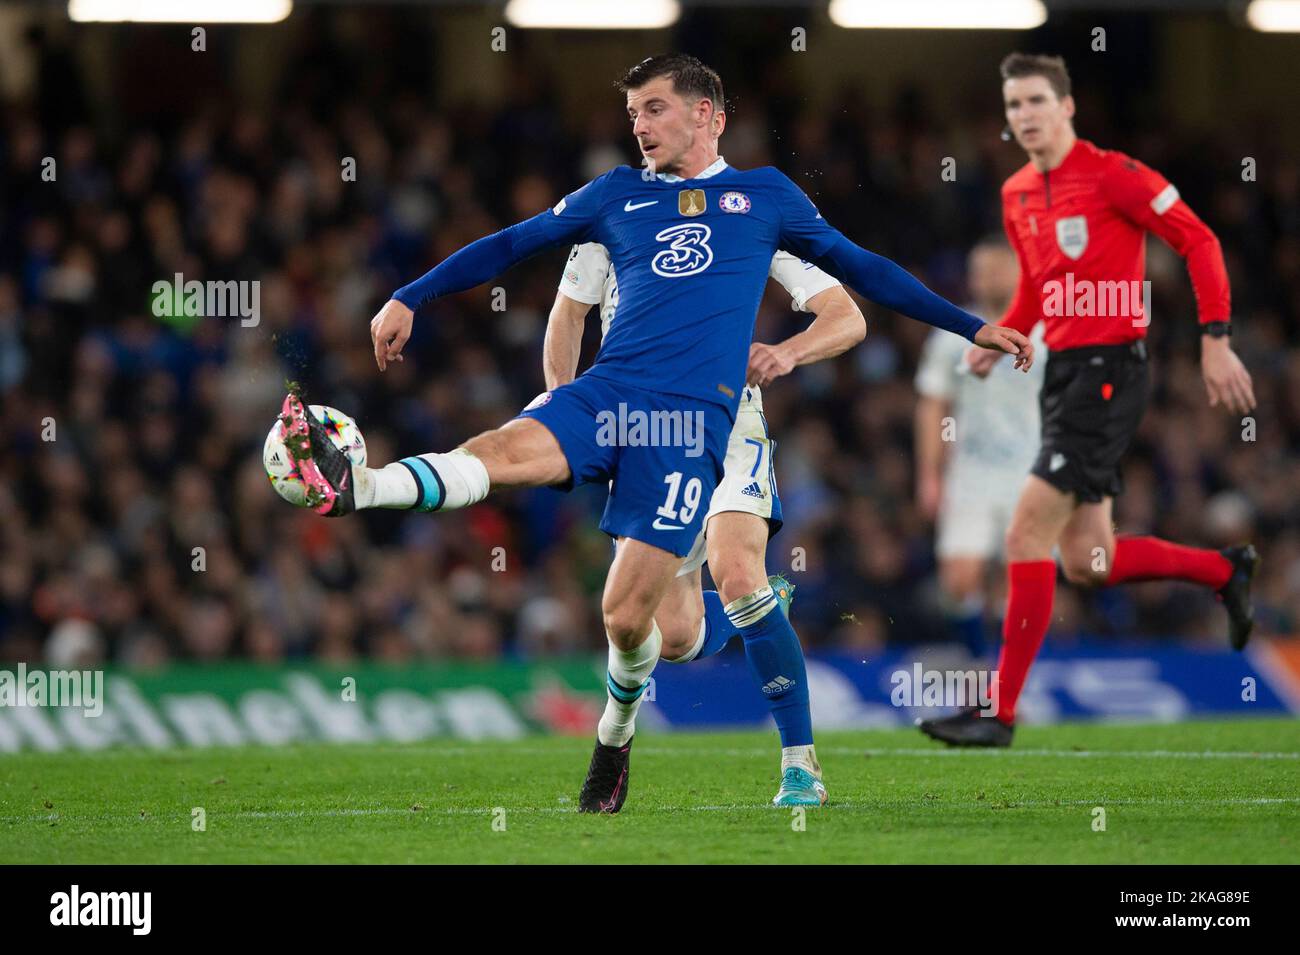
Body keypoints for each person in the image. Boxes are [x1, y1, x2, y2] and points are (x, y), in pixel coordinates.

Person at [279, 54, 1033, 811]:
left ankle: (728, 752)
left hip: (696, 424)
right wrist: (411, 294)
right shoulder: (613, 198)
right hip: (608, 397)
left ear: (710, 115)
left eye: (655, 109)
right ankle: (360, 485)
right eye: (633, 112)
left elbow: (865, 274)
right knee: (505, 451)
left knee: (662, 621)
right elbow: (514, 245)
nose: (638, 125)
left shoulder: (765, 199)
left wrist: (972, 325)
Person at [919, 53, 1258, 748]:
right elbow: (1040, 291)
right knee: (1088, 562)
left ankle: (1000, 711)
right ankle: (1225, 570)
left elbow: (1199, 240)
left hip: (1112, 371)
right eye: (1015, 106)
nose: (1026, 116)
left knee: (1022, 534)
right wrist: (1002, 334)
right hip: (1062, 373)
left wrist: (1215, 338)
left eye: (1038, 101)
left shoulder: (1116, 176)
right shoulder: (1017, 194)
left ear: (1067, 107)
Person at [549, 241, 864, 806]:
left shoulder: (749, 213)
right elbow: (569, 314)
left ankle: (800, 766)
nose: (649, 145)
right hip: (644, 435)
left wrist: (790, 353)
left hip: (728, 420)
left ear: (707, 143)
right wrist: (561, 406)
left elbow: (846, 316)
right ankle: (766, 604)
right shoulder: (609, 218)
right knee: (671, 637)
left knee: (739, 572)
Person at [914, 238, 1045, 659]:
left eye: (993, 270)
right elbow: (933, 404)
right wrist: (929, 475)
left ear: (1018, 272)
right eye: (977, 271)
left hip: (1032, 473)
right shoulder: (953, 333)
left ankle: (1006, 682)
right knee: (958, 580)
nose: (983, 279)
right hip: (969, 473)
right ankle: (979, 660)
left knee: (1017, 580)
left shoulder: (1049, 330)